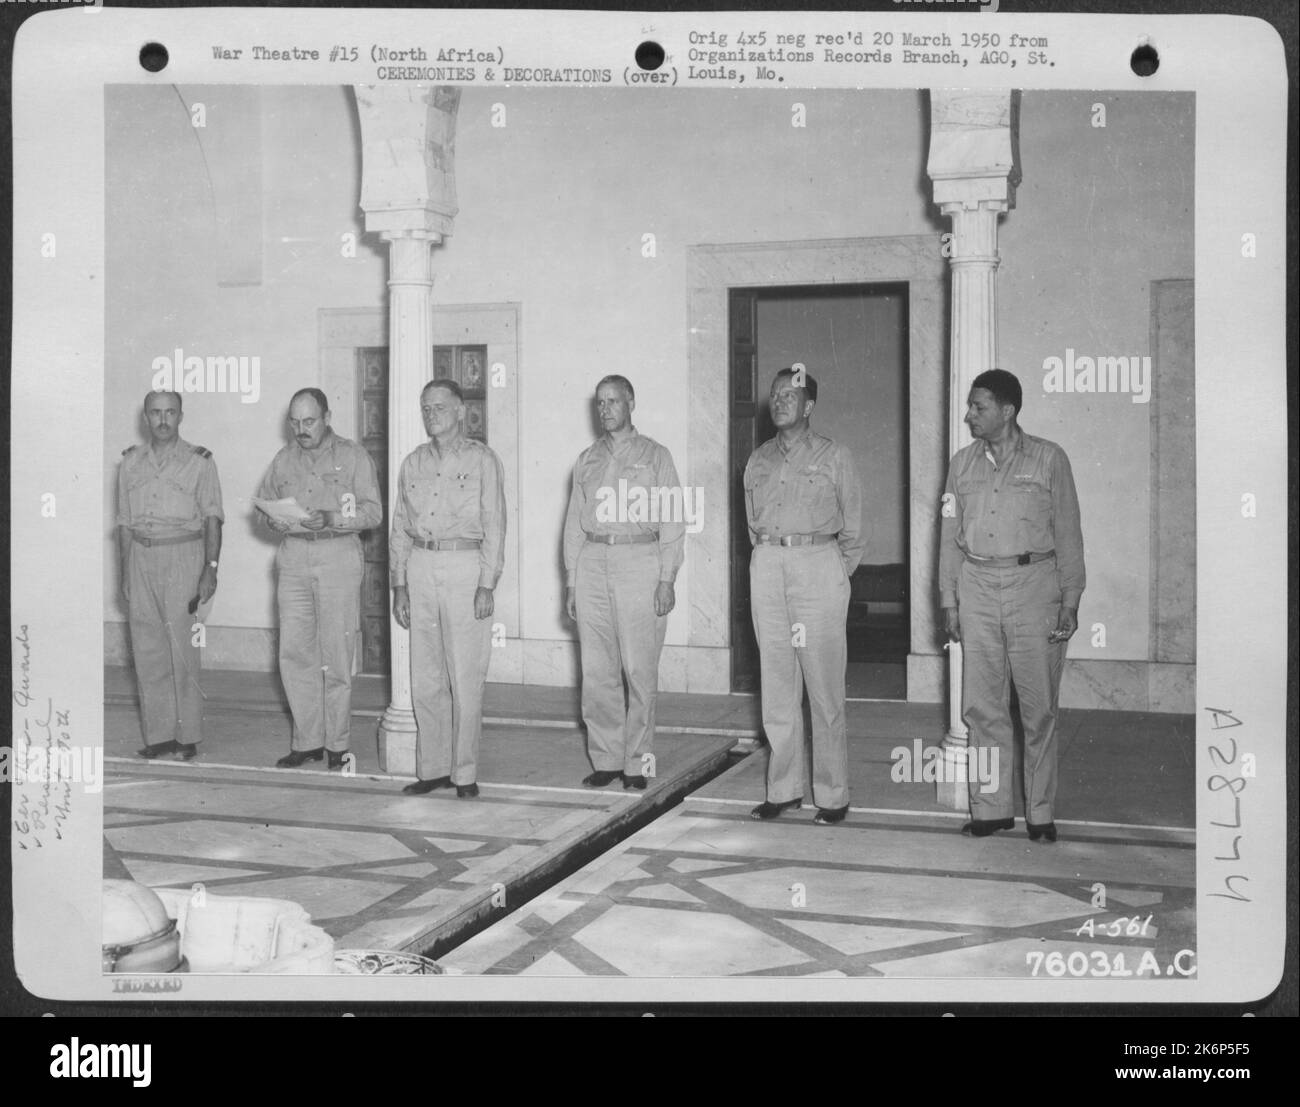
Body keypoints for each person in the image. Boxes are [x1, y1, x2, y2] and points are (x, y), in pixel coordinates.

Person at [939, 368, 1085, 842]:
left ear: (1008, 410)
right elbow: (947, 540)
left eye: (978, 407)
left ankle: (1040, 813)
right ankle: (991, 808)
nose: (969, 415)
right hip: (977, 585)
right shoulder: (961, 465)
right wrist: (949, 600)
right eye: (970, 406)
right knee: (982, 708)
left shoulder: (1048, 459)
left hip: (1034, 587)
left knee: (1038, 708)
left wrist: (1071, 598)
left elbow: (1068, 533)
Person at [744, 368, 865, 825]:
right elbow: (752, 524)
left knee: (824, 689)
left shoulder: (835, 457)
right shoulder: (757, 460)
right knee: (777, 685)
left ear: (809, 406)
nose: (778, 401)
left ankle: (833, 796)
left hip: (818, 566)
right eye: (774, 395)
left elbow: (854, 530)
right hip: (768, 565)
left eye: (789, 395)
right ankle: (783, 789)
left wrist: (834, 575)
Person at [563, 376, 684, 790]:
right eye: (600, 403)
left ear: (631, 403)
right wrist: (572, 581)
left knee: (638, 668)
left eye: (614, 401)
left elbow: (673, 521)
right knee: (597, 671)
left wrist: (667, 578)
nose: (606, 409)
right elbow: (573, 525)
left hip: (640, 561)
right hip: (593, 561)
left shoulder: (655, 456)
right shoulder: (587, 459)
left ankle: (638, 761)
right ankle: (607, 758)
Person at [391, 380, 506, 799]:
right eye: (425, 408)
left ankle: (464, 772)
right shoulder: (413, 463)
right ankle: (433, 769)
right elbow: (400, 527)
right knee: (426, 676)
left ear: (461, 410)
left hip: (464, 566)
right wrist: (399, 584)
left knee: (465, 675)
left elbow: (495, 525)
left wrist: (486, 584)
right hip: (421, 565)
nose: (431, 413)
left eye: (440, 406)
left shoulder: (482, 460)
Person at [258, 388, 382, 769]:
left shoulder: (353, 456)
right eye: (294, 422)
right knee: (295, 653)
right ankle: (307, 740)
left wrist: (333, 518)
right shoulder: (282, 460)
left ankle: (336, 743)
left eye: (309, 421)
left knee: (336, 653)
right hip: (294, 557)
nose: (301, 429)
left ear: (327, 417)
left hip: (337, 554)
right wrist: (273, 518)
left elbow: (373, 511)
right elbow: (264, 505)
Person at [116, 390, 224, 760]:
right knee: (147, 650)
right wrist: (125, 575)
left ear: (181, 416)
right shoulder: (130, 463)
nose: (163, 420)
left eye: (170, 413)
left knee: (182, 650)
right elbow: (125, 525)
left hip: (183, 556)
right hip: (141, 558)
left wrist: (210, 569)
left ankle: (186, 735)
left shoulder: (200, 462)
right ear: (145, 417)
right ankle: (159, 735)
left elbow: (213, 517)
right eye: (156, 413)